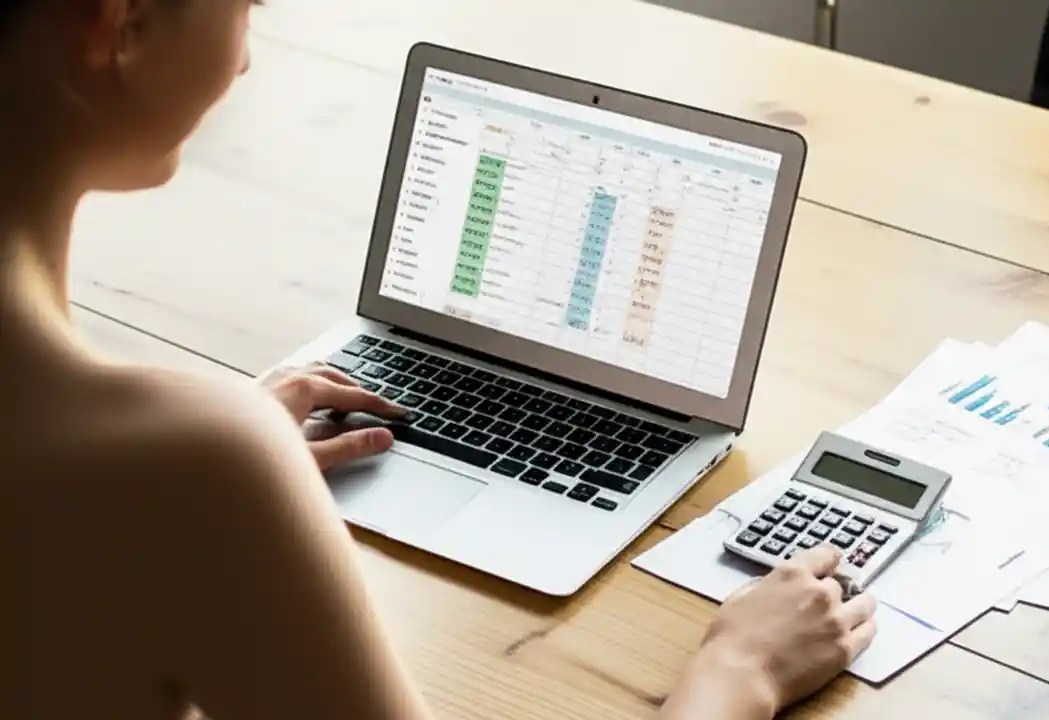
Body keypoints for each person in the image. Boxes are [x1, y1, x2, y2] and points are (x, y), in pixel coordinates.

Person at [0, 1, 878, 718]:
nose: (250, 48)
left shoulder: (159, 459)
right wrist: (738, 675)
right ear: (116, 25)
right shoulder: (187, 468)